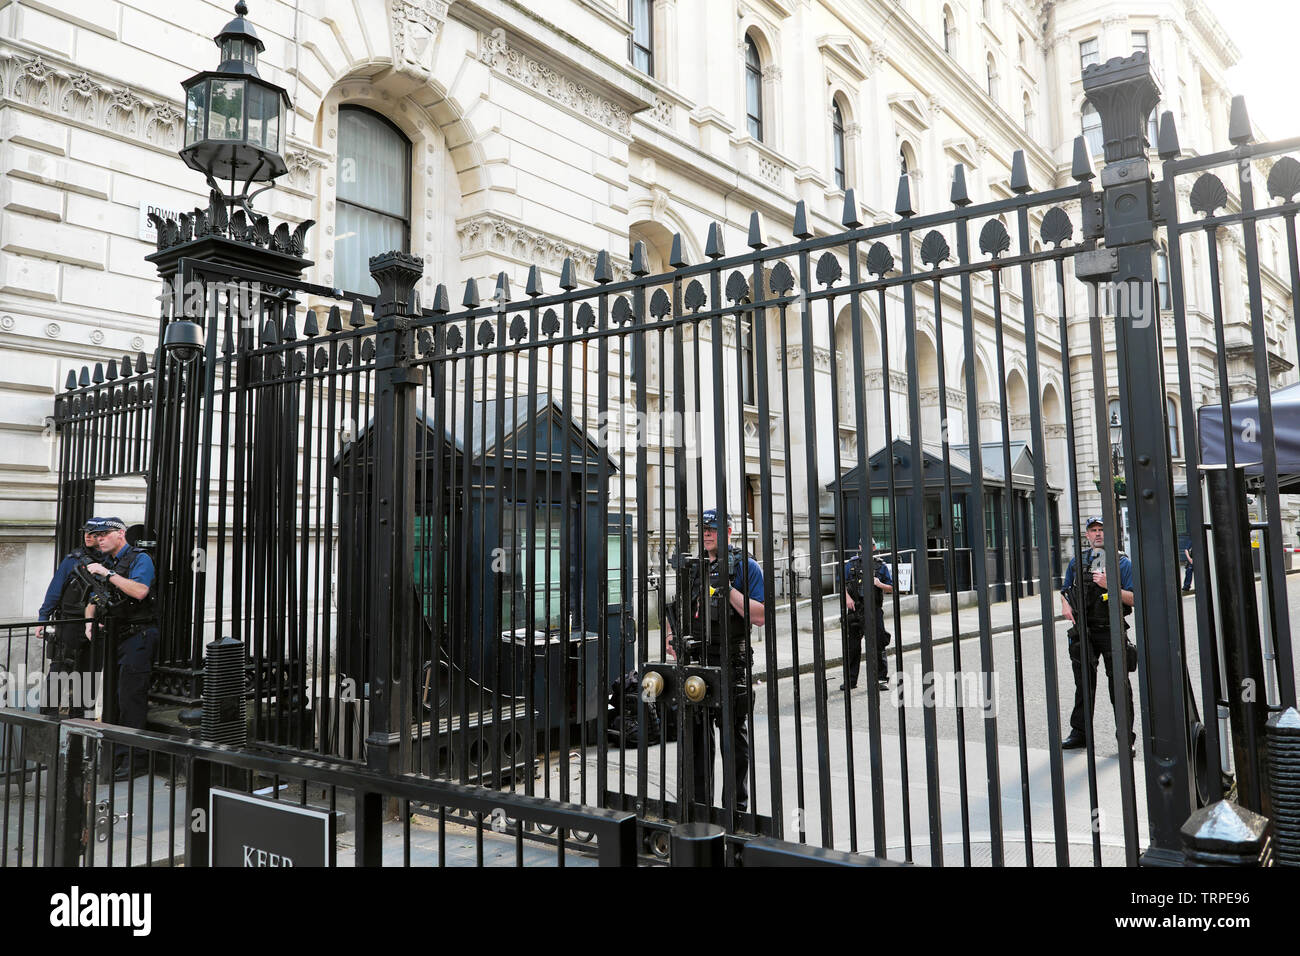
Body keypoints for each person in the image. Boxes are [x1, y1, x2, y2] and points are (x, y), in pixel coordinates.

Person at [666, 508, 764, 815]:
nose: (706, 534)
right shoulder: (693, 567)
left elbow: (760, 616)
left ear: (730, 532)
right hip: (696, 660)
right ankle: (699, 807)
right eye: (703, 529)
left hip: (730, 660)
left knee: (732, 737)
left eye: (713, 529)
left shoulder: (746, 566)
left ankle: (734, 811)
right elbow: (676, 606)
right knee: (696, 737)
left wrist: (729, 591)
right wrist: (672, 635)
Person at [82, 517, 158, 778]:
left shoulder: (140, 559)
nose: (99, 539)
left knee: (130, 697)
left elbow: (139, 591)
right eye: (96, 535)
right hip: (115, 636)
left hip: (139, 636)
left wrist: (109, 575)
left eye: (104, 534)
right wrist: (89, 622)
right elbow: (94, 595)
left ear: (121, 534)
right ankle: (114, 756)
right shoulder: (108, 562)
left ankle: (135, 760)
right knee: (113, 698)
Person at [1060, 516, 1136, 755]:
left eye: (1102, 529)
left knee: (1120, 687)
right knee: (1083, 685)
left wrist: (1109, 585)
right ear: (1087, 535)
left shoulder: (1122, 562)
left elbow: (1134, 598)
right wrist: (1065, 604)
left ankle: (1125, 739)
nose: (1098, 534)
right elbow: (1066, 589)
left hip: (1111, 630)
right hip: (1084, 630)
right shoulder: (1076, 562)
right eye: (1093, 530)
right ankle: (1080, 734)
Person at [36, 520, 102, 718]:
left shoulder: (110, 561)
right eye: (86, 532)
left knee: (88, 674)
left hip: (95, 624)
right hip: (69, 623)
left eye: (94, 533)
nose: (88, 536)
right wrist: (43, 617)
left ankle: (81, 720)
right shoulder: (73, 559)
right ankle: (47, 719)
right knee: (60, 669)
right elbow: (55, 589)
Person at [841, 539, 893, 691]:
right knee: (852, 647)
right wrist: (848, 599)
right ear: (859, 547)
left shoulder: (881, 566)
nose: (866, 548)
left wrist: (879, 584)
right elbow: (842, 585)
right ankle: (850, 680)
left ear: (874, 547)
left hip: (874, 609)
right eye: (863, 546)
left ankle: (881, 680)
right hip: (855, 609)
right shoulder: (851, 565)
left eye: (869, 546)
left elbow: (891, 587)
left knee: (878, 644)